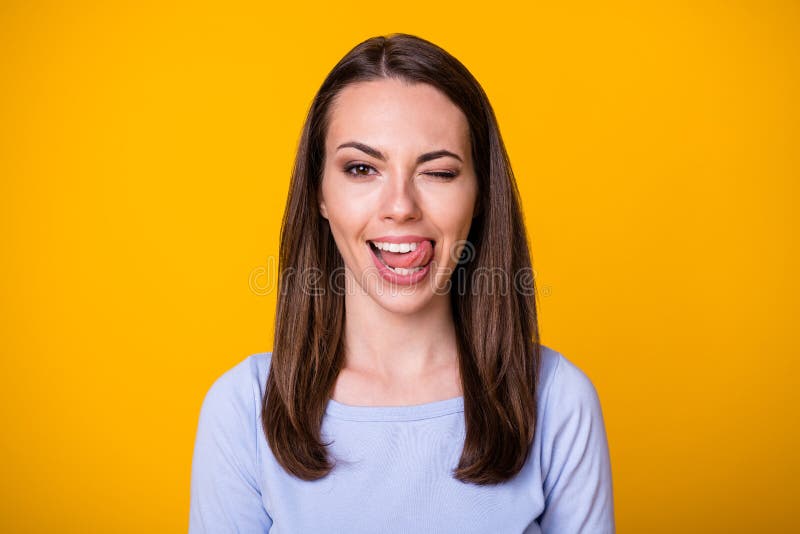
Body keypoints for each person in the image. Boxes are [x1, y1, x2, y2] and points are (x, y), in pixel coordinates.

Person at [189, 33, 614, 533]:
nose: (401, 206)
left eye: (437, 172)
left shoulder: (558, 400)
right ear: (319, 194)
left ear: (480, 196)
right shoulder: (242, 410)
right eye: (362, 168)